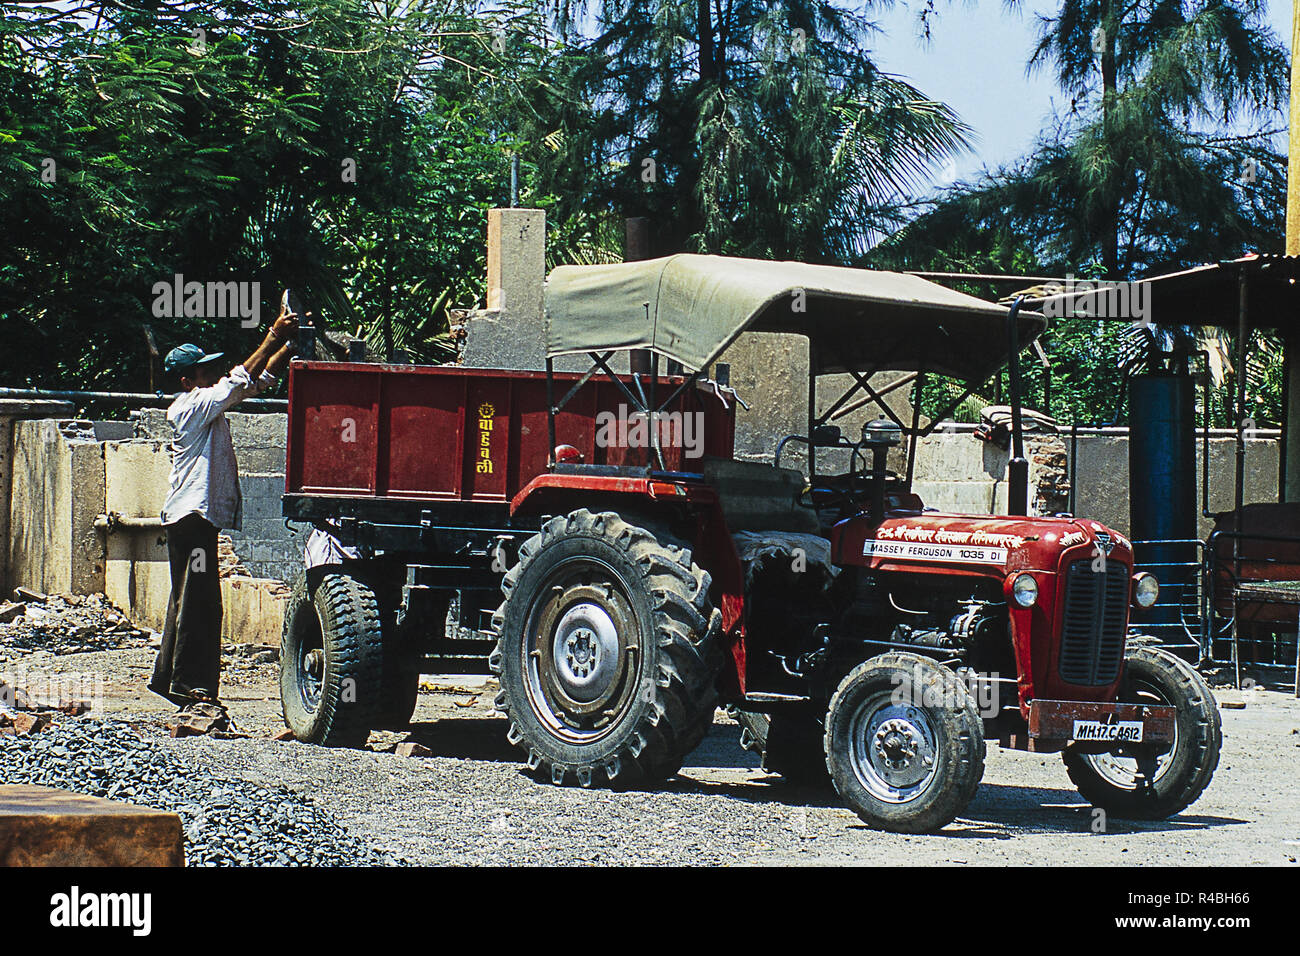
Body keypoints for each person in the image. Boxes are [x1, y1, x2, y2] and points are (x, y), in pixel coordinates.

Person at [148, 304, 298, 713]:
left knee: (188, 599)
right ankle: (192, 686)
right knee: (200, 603)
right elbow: (237, 383)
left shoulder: (205, 405)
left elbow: (254, 383)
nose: (210, 375)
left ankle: (170, 679)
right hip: (191, 517)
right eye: (203, 372)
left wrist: (284, 347)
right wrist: (272, 335)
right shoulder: (188, 406)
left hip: (193, 520)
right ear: (186, 380)